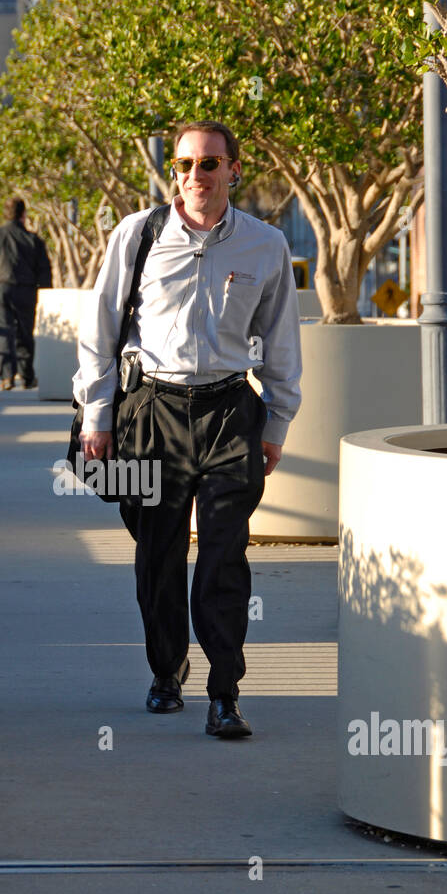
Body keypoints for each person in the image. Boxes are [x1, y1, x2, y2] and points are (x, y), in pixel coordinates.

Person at [73, 121, 301, 740]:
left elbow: (281, 339)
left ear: (234, 170)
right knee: (158, 556)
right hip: (152, 412)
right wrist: (98, 416)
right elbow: (98, 330)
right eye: (184, 164)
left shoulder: (265, 245)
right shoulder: (137, 235)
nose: (195, 176)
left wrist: (276, 419)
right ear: (173, 171)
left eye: (209, 163)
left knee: (225, 557)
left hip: (231, 412)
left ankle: (224, 692)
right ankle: (165, 669)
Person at [0, 197, 52, 390]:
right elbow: (44, 269)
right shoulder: (34, 240)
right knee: (25, 334)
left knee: (1, 333)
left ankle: (7, 377)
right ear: (23, 215)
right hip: (26, 290)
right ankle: (27, 377)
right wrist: (45, 292)